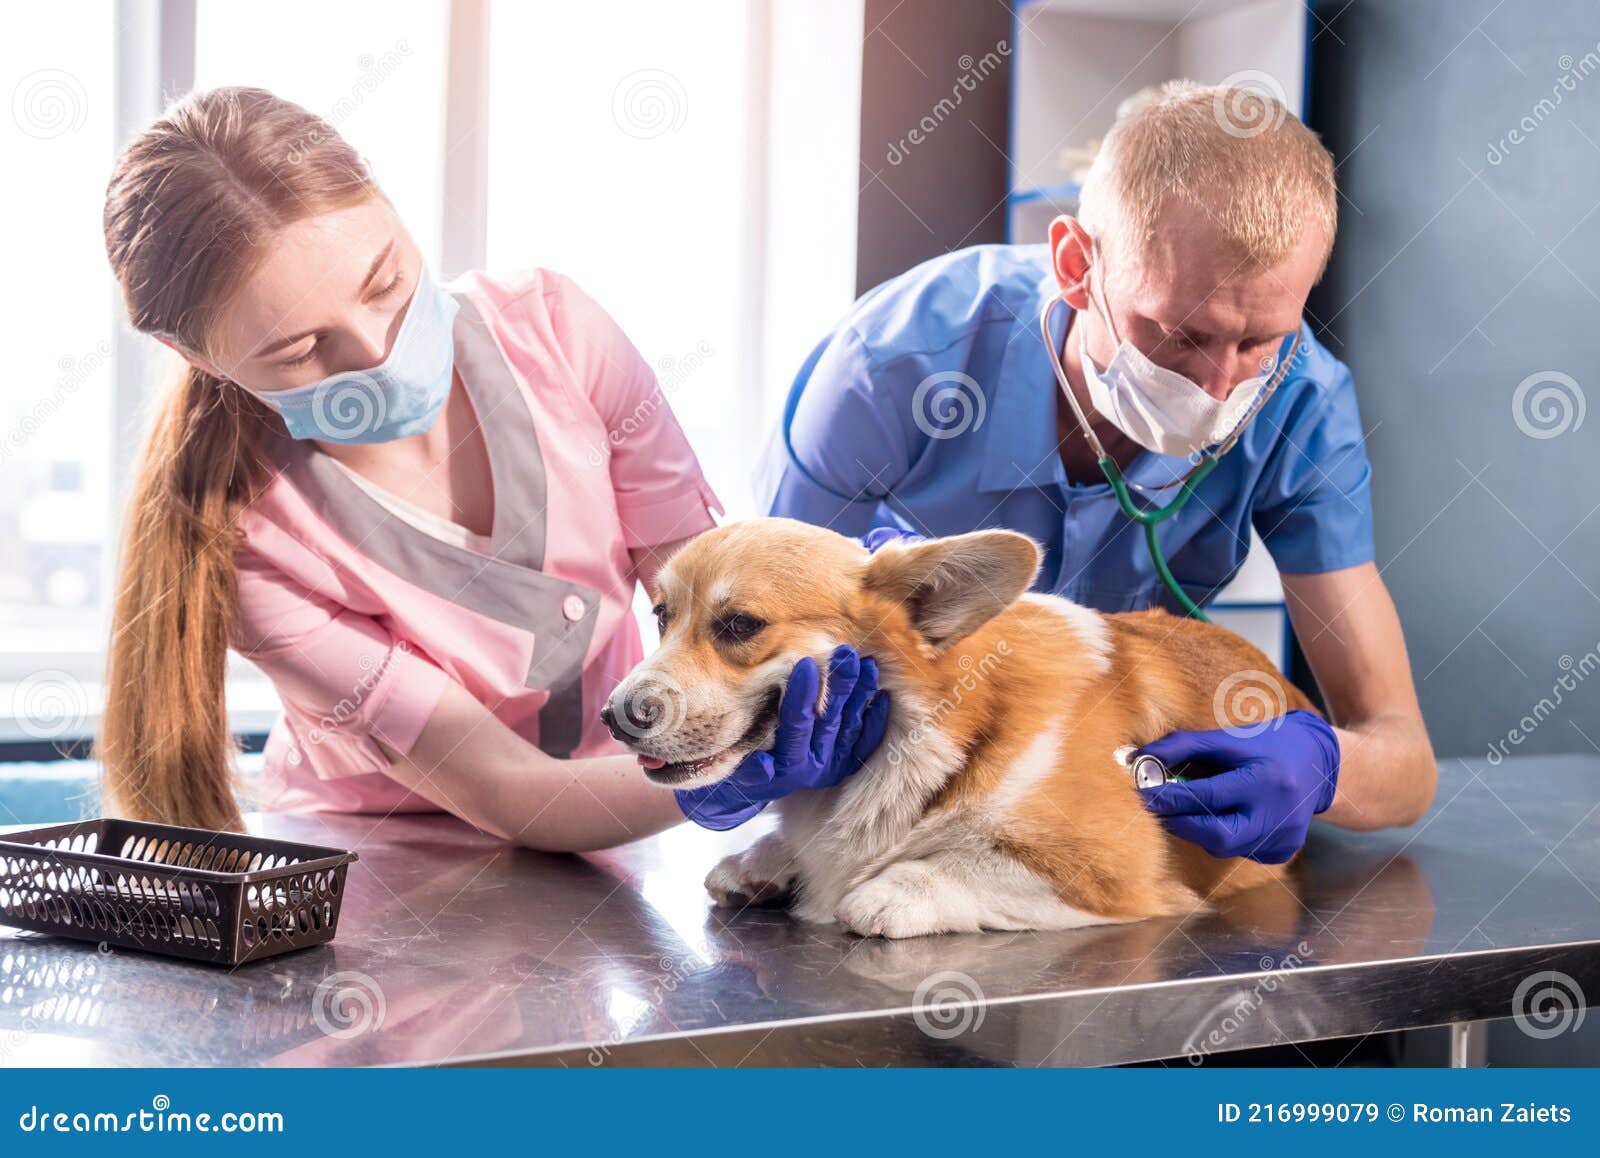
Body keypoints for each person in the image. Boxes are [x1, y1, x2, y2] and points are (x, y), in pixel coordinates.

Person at [97, 87, 885, 848]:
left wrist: (858, 612)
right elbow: (513, 790)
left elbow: (700, 594)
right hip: (377, 864)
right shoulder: (250, 549)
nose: (376, 352)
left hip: (614, 829)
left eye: (385, 282)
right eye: (301, 349)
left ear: (390, 202)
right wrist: (719, 773)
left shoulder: (559, 334)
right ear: (196, 356)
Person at [757, 82, 1436, 863]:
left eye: (1259, 342)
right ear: (1077, 265)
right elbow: (755, 648)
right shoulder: (889, 369)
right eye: (1182, 334)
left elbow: (1405, 761)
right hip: (892, 787)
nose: (1220, 387)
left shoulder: (1304, 403)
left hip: (1087, 807)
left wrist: (1324, 768)